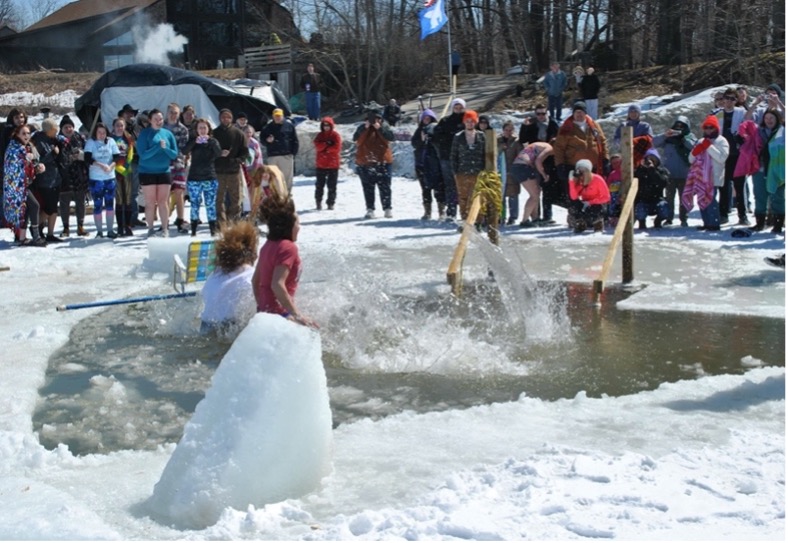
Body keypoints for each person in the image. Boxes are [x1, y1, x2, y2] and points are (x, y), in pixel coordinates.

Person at [252, 197, 317, 328]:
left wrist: (262, 307)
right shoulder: (288, 247)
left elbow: (255, 281)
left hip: (266, 312)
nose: (299, 228)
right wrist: (297, 315)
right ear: (289, 226)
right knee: (316, 329)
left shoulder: (267, 245)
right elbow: (277, 284)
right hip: (279, 314)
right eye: (297, 224)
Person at [200, 220, 259, 335]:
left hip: (205, 326)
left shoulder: (215, 274)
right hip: (228, 328)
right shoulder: (250, 275)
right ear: (251, 252)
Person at [553, 101, 610, 219]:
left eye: (581, 112)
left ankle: (594, 216)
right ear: (573, 114)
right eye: (576, 112)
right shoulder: (566, 128)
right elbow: (559, 148)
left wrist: (605, 158)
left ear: (585, 113)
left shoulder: (593, 125)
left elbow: (602, 142)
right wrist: (560, 164)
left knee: (592, 191)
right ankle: (576, 217)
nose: (579, 115)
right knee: (575, 193)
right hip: (573, 165)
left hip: (592, 166)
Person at [136, 109, 179, 237]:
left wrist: (165, 148)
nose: (159, 121)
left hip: (164, 171)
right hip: (147, 171)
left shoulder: (168, 134)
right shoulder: (145, 134)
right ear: (150, 120)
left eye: (160, 119)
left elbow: (174, 154)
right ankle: (150, 228)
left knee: (163, 201)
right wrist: (157, 147)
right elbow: (143, 155)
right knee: (150, 202)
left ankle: (165, 228)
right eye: (156, 119)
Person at [682, 115, 729, 232]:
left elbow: (722, 158)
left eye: (711, 127)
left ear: (716, 128)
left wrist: (709, 147)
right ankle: (707, 223)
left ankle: (714, 223)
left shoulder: (722, 140)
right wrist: (695, 151)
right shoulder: (701, 141)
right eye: (706, 127)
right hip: (700, 176)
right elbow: (691, 159)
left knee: (711, 200)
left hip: (713, 176)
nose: (708, 130)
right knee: (702, 199)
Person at [3, 123, 47, 246]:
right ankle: (36, 236)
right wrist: (25, 159)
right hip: (16, 187)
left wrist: (37, 167)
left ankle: (22, 238)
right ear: (17, 134)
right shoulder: (14, 148)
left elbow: (27, 167)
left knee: (26, 209)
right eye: (23, 133)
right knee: (34, 205)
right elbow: (13, 167)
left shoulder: (24, 147)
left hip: (23, 185)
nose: (26, 135)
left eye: (28, 133)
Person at [651, 115, 696, 227]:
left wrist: (683, 138)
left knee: (684, 198)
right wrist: (664, 135)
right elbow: (653, 142)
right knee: (669, 198)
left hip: (685, 174)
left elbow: (694, 147)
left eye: (682, 126)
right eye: (677, 125)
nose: (679, 128)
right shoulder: (668, 138)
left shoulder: (690, 136)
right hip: (669, 174)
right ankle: (668, 218)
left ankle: (683, 218)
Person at [520, 104, 559, 225]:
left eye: (543, 113)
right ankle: (535, 216)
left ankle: (547, 215)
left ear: (547, 113)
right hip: (535, 159)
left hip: (550, 159)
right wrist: (524, 127)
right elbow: (522, 140)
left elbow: (560, 138)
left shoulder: (553, 124)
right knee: (536, 188)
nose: (541, 116)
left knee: (548, 187)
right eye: (538, 114)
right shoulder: (531, 125)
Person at [353, 109, 395, 219]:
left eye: (377, 118)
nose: (374, 121)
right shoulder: (362, 128)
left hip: (383, 161)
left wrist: (379, 129)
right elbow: (356, 139)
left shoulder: (384, 127)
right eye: (372, 118)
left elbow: (391, 137)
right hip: (365, 161)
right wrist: (364, 128)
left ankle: (387, 208)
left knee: (385, 186)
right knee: (368, 187)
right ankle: (370, 209)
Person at [184, 118, 222, 236]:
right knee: (194, 204)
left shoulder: (213, 141)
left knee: (210, 204)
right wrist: (194, 142)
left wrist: (210, 142)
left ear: (208, 129)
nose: (202, 130)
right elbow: (185, 150)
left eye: (204, 128)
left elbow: (218, 153)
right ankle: (194, 230)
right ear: (196, 129)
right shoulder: (193, 141)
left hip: (209, 177)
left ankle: (212, 230)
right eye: (200, 128)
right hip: (194, 178)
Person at [715, 87, 748, 225]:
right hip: (723, 155)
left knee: (739, 186)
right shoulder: (717, 114)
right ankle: (723, 214)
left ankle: (742, 215)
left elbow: (748, 126)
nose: (728, 101)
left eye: (732, 99)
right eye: (726, 98)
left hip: (737, 154)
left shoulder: (741, 112)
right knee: (723, 186)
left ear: (736, 100)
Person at [431, 98, 466, 221]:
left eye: (460, 107)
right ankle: (451, 212)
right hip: (447, 156)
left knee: (464, 184)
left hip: (464, 157)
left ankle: (464, 211)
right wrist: (443, 144)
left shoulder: (467, 120)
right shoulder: (445, 121)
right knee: (450, 185)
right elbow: (436, 136)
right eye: (456, 107)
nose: (458, 109)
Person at [84, 122, 121, 238]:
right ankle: (99, 231)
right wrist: (99, 164)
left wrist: (111, 166)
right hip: (96, 178)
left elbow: (117, 156)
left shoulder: (111, 141)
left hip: (109, 177)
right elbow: (87, 158)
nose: (101, 135)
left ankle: (110, 230)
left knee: (110, 204)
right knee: (98, 204)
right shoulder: (91, 142)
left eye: (103, 133)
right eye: (99, 132)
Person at [30, 118, 65, 242]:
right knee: (49, 207)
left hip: (55, 178)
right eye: (54, 130)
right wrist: (53, 154)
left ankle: (50, 233)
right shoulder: (38, 141)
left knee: (54, 207)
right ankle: (35, 226)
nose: (56, 132)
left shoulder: (52, 139)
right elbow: (39, 160)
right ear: (49, 130)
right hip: (45, 180)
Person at [450, 110, 486, 228]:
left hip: (478, 171)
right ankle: (465, 220)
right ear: (464, 122)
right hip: (462, 171)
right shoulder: (458, 136)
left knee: (477, 196)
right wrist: (455, 171)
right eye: (467, 121)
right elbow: (453, 155)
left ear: (475, 122)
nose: (470, 123)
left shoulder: (481, 136)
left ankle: (478, 221)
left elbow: (486, 154)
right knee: (463, 197)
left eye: (472, 121)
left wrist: (485, 170)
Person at [751, 109, 784, 232]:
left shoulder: (783, 132)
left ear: (777, 119)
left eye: (771, 118)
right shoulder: (758, 132)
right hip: (760, 167)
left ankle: (778, 225)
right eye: (766, 118)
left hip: (777, 168)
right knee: (759, 195)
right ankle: (759, 223)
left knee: (777, 196)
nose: (769, 120)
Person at [213, 108, 247, 227]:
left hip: (234, 171)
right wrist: (219, 155)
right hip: (218, 171)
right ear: (219, 118)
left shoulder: (239, 134)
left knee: (236, 198)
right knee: (218, 198)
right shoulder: (214, 133)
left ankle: (234, 221)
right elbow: (209, 153)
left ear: (231, 119)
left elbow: (244, 153)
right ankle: (221, 222)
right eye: (223, 117)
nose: (225, 119)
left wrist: (235, 161)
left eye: (228, 117)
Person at [56, 115, 89, 237]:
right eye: (65, 127)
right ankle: (66, 227)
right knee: (64, 202)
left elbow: (88, 153)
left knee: (80, 201)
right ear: (61, 129)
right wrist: (68, 158)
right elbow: (57, 157)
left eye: (70, 126)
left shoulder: (80, 138)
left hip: (79, 173)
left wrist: (81, 155)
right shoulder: (58, 141)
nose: (68, 129)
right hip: (64, 175)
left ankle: (80, 226)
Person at [510, 141, 553, 228]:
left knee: (536, 191)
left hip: (518, 166)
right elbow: (538, 161)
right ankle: (524, 220)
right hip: (522, 167)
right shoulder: (549, 148)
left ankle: (535, 218)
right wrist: (544, 175)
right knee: (534, 195)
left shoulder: (539, 144)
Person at [412, 109, 443, 220]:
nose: (427, 120)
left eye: (429, 118)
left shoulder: (437, 129)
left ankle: (441, 211)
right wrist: (421, 140)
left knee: (439, 188)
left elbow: (440, 143)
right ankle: (427, 211)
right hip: (422, 163)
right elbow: (414, 144)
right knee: (425, 189)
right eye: (425, 118)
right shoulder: (419, 131)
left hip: (435, 163)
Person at [163, 103, 190, 234]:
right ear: (167, 113)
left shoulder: (183, 129)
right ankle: (165, 221)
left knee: (179, 193)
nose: (173, 115)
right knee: (165, 194)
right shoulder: (161, 128)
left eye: (176, 113)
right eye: (171, 112)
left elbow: (183, 148)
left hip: (178, 164)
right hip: (163, 165)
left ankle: (180, 219)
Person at [1, 108, 28, 230]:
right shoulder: (8, 132)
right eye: (17, 118)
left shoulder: (26, 131)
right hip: (11, 171)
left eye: (21, 117)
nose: (20, 120)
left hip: (24, 171)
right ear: (12, 119)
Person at [260, 108, 299, 194]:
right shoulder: (267, 127)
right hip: (273, 156)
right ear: (273, 116)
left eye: (279, 116)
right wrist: (267, 140)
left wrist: (292, 154)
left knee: (287, 178)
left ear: (283, 116)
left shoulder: (289, 126)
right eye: (275, 116)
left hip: (286, 156)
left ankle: (287, 195)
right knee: (274, 177)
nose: (277, 117)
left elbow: (295, 140)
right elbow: (262, 140)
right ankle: (275, 195)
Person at [567, 158, 610, 233]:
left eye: (583, 170)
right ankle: (580, 224)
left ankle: (597, 223)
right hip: (585, 202)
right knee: (574, 206)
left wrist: (591, 202)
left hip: (597, 203)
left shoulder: (597, 179)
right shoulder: (579, 181)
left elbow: (606, 197)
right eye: (579, 170)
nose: (581, 173)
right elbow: (574, 197)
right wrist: (571, 182)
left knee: (595, 210)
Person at [110, 117, 135, 237]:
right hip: (115, 171)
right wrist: (119, 168)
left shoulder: (128, 138)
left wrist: (127, 165)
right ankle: (120, 226)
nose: (119, 128)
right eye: (117, 126)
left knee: (128, 199)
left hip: (127, 170)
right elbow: (110, 156)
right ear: (113, 127)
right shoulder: (110, 140)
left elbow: (130, 153)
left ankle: (128, 225)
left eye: (121, 125)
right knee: (119, 200)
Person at [633, 149, 670, 230]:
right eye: (648, 159)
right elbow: (635, 178)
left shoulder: (662, 171)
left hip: (657, 199)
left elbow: (663, 183)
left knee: (664, 208)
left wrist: (652, 170)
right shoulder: (640, 170)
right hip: (643, 200)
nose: (650, 161)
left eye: (653, 159)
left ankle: (658, 221)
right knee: (640, 208)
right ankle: (642, 223)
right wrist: (642, 167)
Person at [313, 116, 341, 211]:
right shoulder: (319, 135)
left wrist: (325, 148)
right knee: (319, 185)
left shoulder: (336, 135)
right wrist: (326, 144)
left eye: (328, 125)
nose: (326, 127)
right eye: (324, 125)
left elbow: (336, 148)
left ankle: (331, 202)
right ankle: (318, 201)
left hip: (333, 164)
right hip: (321, 164)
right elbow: (317, 147)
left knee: (332, 185)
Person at [498, 120, 522, 225]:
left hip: (512, 172)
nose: (508, 132)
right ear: (503, 130)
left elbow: (520, 156)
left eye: (510, 130)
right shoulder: (498, 140)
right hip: (501, 171)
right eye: (506, 130)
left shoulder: (517, 142)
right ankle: (501, 215)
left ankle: (513, 216)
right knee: (500, 196)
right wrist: (500, 148)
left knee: (513, 195)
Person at [242, 124, 264, 216]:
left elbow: (258, 157)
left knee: (252, 190)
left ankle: (252, 209)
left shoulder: (254, 143)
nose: (248, 134)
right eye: (246, 132)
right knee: (244, 190)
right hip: (242, 169)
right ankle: (244, 209)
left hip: (253, 169)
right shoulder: (240, 142)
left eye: (250, 132)